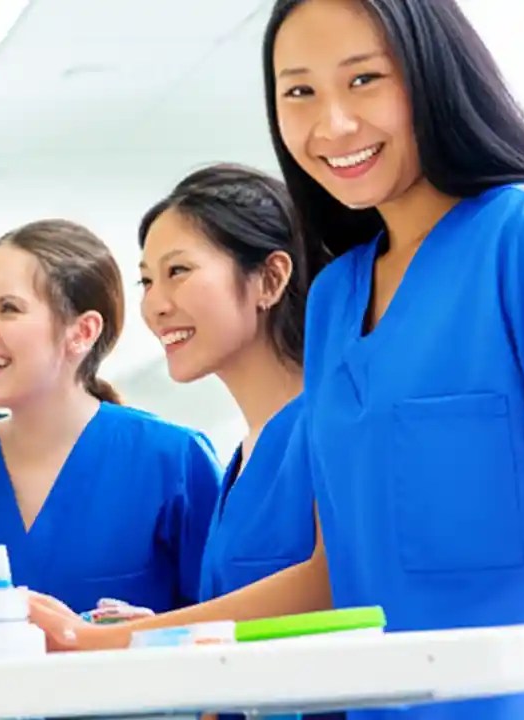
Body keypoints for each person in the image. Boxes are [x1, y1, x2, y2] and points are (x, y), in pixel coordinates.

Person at [24, 1, 524, 718]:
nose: (331, 124)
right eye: (299, 92)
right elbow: (334, 577)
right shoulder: (337, 296)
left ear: (432, 73)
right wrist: (101, 644)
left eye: (364, 79)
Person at [0, 219, 222, 630]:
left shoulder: (173, 460)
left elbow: (223, 632)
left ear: (82, 332)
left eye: (8, 309)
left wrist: (149, 631)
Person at [139, 165, 338, 720]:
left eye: (178, 271)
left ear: (271, 280)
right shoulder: (243, 457)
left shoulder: (330, 425)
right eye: (147, 281)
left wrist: (125, 638)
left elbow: (330, 588)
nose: (155, 304)